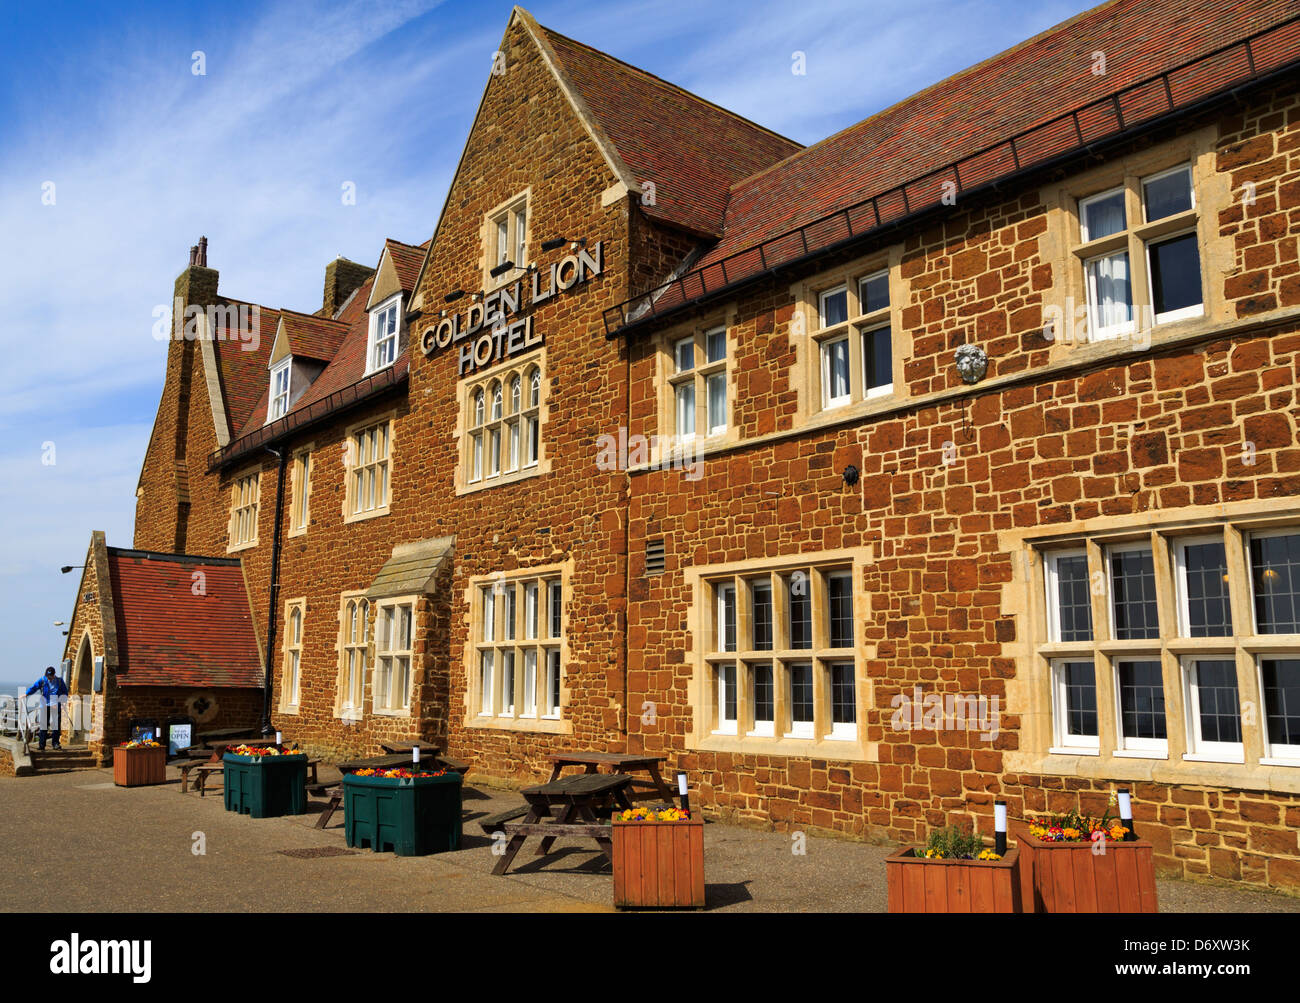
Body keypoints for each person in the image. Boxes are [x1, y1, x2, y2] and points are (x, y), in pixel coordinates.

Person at [26, 666, 69, 751]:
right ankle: (42, 745)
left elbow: (65, 692)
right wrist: (26, 694)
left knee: (56, 726)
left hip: (55, 705)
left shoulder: (59, 681)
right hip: (44, 705)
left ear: (54, 675)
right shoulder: (42, 680)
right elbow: (34, 688)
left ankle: (55, 744)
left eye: (50, 676)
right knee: (43, 726)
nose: (49, 678)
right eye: (47, 676)